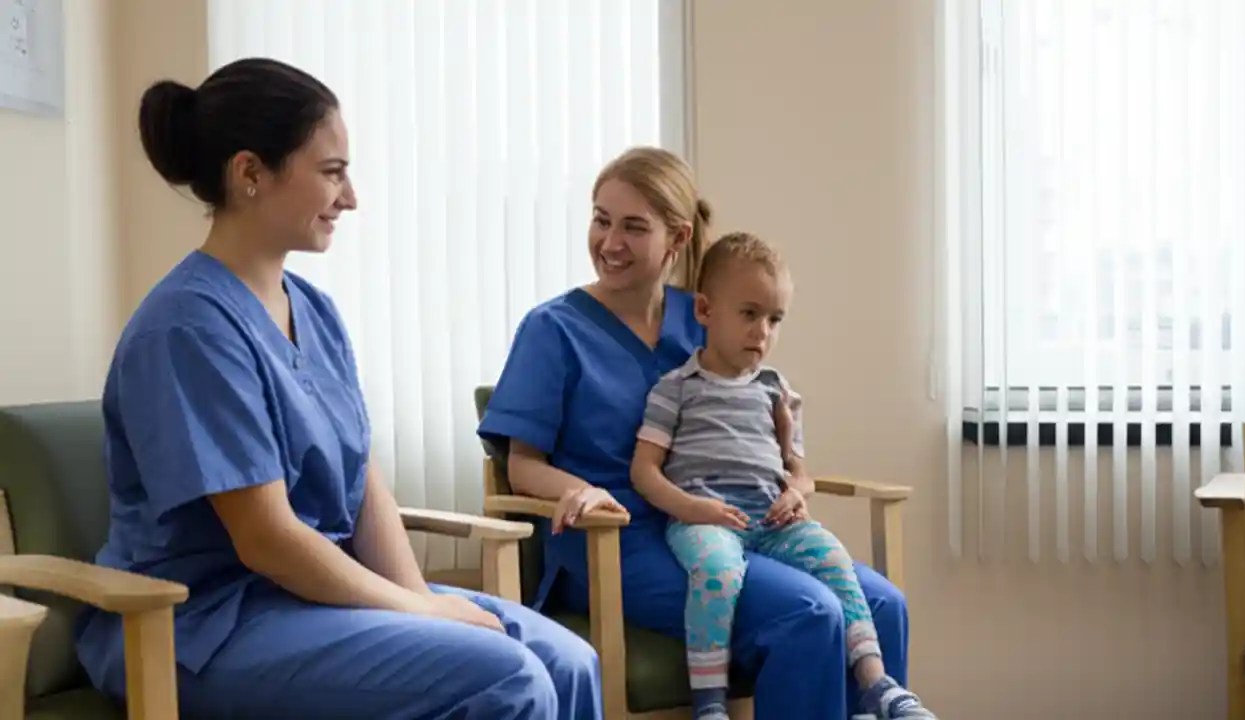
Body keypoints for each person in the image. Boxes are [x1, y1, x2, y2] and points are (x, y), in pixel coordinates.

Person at [74, 57, 601, 720]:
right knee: (506, 678)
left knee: (570, 662)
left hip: (309, 603)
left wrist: (424, 603)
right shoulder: (187, 327)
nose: (349, 196)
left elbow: (362, 481)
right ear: (250, 175)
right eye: (331, 172)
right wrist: (419, 611)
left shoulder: (314, 310)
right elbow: (265, 539)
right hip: (201, 625)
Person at [478, 146, 913, 720]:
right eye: (601, 219)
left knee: (884, 602)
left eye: (634, 226)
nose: (610, 242)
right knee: (807, 611)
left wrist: (793, 482)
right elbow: (521, 465)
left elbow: (757, 420)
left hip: (726, 524)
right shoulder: (552, 329)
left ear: (678, 238)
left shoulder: (707, 315)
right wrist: (575, 490)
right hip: (616, 543)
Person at [631, 233, 935, 720]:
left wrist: (796, 491)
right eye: (749, 314)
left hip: (772, 522)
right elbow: (643, 470)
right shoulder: (676, 389)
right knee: (718, 574)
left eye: (775, 319)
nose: (763, 332)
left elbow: (798, 469)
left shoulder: (776, 391)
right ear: (705, 311)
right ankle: (709, 704)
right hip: (707, 519)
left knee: (838, 561)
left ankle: (876, 687)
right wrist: (692, 508)